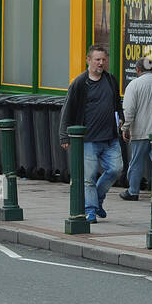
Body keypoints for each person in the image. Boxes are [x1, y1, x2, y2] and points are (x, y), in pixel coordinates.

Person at [57, 45, 122, 223]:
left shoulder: (110, 80)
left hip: (110, 137)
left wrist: (122, 121)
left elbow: (117, 104)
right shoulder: (79, 83)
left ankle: (98, 200)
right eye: (97, 59)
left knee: (116, 169)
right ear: (88, 60)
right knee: (88, 178)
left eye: (103, 59)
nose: (101, 63)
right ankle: (91, 210)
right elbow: (67, 109)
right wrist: (64, 135)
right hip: (88, 140)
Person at [119, 56, 152, 201]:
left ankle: (133, 191)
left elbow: (129, 110)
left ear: (138, 69)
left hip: (140, 131)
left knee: (136, 161)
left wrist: (125, 127)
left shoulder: (134, 85)